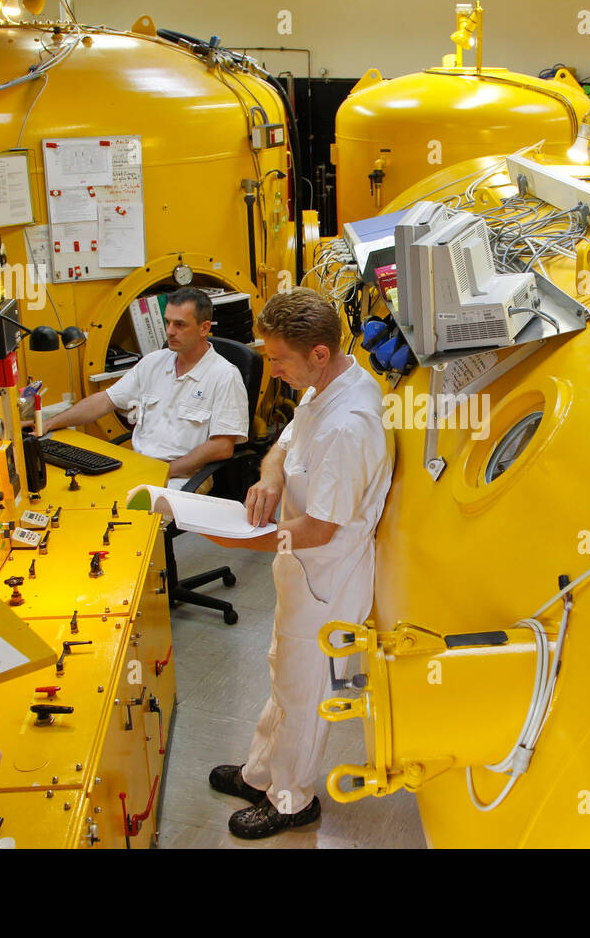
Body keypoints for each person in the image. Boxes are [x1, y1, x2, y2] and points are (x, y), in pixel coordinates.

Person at [206, 287, 393, 839]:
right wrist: (268, 477)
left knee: (305, 691)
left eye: (278, 359)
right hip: (300, 574)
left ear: (317, 353)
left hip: (326, 581)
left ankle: (292, 800)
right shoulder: (321, 387)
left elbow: (319, 529)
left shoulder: (349, 422)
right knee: (283, 677)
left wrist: (238, 540)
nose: (272, 370)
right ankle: (261, 773)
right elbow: (284, 447)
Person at [46, 287, 248, 488]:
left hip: (184, 477)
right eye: (167, 322)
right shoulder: (153, 362)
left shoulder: (224, 376)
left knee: (129, 512)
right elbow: (105, 400)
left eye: (180, 324)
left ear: (204, 328)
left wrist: (166, 470)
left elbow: (222, 446)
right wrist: (48, 424)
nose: (169, 331)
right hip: (140, 467)